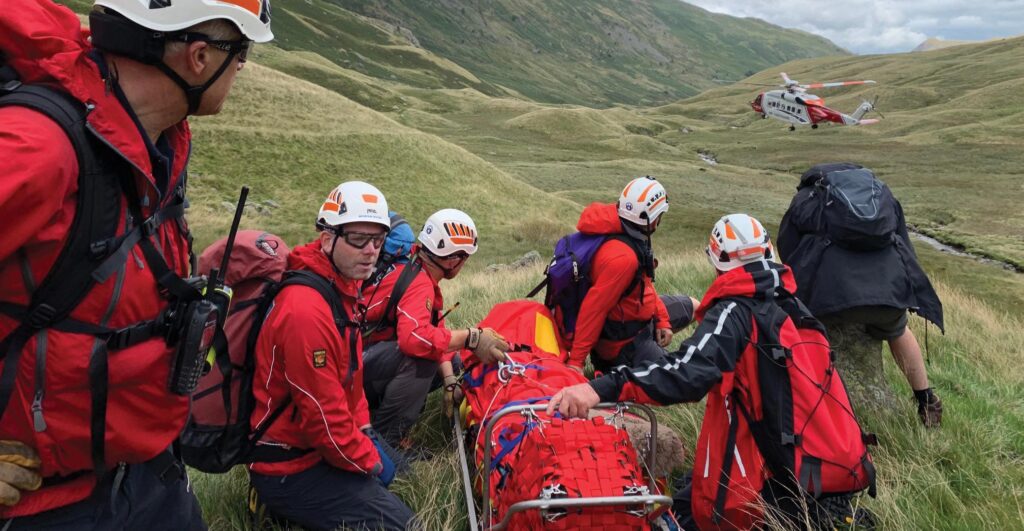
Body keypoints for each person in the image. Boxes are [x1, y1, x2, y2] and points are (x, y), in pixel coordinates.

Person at [0, 0, 271, 527]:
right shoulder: (39, 149)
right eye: (240, 54)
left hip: (146, 477)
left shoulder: (155, 145)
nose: (241, 70)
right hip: (49, 508)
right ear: (199, 57)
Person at [546, 214, 875, 530]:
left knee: (683, 514)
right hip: (823, 468)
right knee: (689, 493)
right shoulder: (791, 303)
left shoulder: (734, 311)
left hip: (770, 484)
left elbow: (685, 374)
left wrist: (598, 389)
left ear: (718, 262)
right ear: (768, 251)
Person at [247, 182, 418, 531]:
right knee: (406, 525)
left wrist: (365, 429)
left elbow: (349, 379)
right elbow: (324, 421)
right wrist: (369, 459)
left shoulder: (340, 286)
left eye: (378, 240)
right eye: (358, 238)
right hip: (291, 465)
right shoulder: (306, 311)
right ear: (327, 238)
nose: (371, 251)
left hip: (317, 446)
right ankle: (275, 503)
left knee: (403, 478)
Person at [777, 162, 944, 427]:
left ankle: (802, 408)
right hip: (886, 300)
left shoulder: (807, 198)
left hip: (826, 303)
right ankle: (926, 400)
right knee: (898, 330)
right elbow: (903, 244)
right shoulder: (882, 196)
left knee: (794, 331)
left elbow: (787, 247)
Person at [361, 209, 510, 447]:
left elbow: (433, 326)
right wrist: (470, 338)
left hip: (364, 357)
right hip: (353, 368)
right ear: (453, 260)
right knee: (422, 358)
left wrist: (449, 378)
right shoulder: (419, 284)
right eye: (464, 258)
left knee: (451, 362)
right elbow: (414, 339)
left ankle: (383, 411)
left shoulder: (414, 265)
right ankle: (385, 441)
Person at [561, 176, 686, 374]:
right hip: (623, 346)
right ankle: (630, 367)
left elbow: (644, 284)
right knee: (677, 380)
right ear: (652, 218)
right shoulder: (623, 259)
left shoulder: (629, 230)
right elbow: (594, 310)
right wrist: (576, 362)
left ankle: (655, 348)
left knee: (694, 306)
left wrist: (662, 320)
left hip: (640, 323)